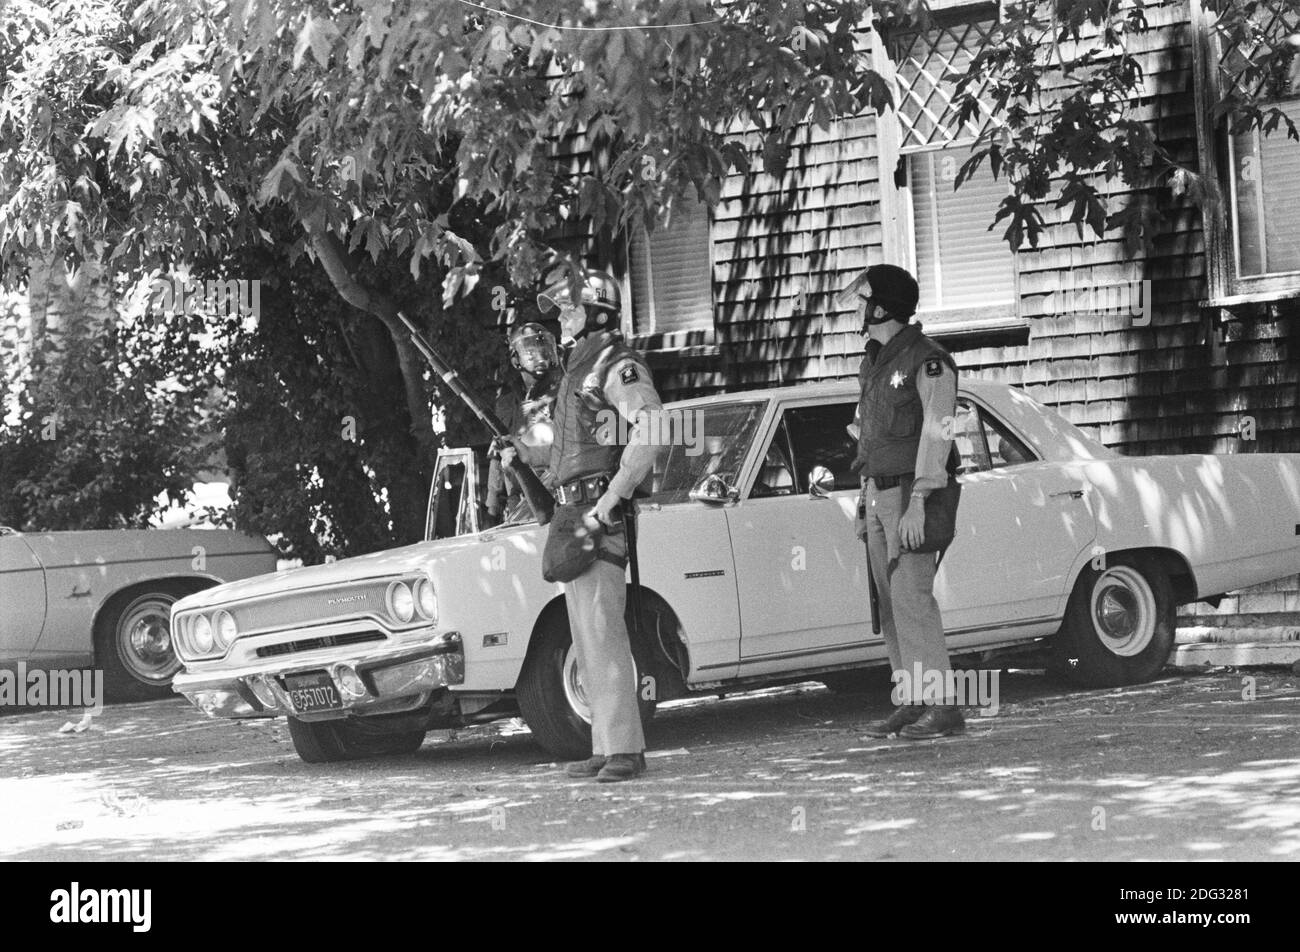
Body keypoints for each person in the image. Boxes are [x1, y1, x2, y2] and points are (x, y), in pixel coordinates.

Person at [537, 268, 663, 783]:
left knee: (604, 633)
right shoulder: (579, 370)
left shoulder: (616, 365)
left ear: (596, 313)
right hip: (575, 513)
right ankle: (605, 744)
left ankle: (626, 750)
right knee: (585, 635)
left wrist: (613, 498)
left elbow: (653, 427)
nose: (562, 318)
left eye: (570, 308)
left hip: (598, 513)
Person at [840, 264, 965, 740]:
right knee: (891, 605)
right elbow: (868, 437)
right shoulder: (874, 363)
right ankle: (914, 699)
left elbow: (938, 432)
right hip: (879, 493)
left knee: (913, 599)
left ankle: (944, 707)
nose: (860, 308)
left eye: (866, 300)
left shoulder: (928, 361)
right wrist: (864, 498)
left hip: (911, 494)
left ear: (883, 308)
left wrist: (920, 501)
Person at [486, 322, 561, 525]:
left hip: (557, 494)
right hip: (518, 504)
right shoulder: (506, 403)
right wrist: (492, 510)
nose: (540, 358)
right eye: (530, 352)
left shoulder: (563, 394)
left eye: (544, 351)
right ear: (516, 359)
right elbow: (496, 456)